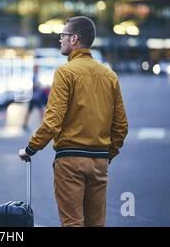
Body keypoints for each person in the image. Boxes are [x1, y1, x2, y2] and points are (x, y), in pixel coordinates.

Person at [18, 16, 128, 227]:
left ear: (74, 39)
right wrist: (107, 155)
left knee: (72, 223)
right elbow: (121, 125)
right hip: (99, 162)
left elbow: (52, 121)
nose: (60, 39)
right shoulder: (109, 76)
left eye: (63, 35)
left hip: (70, 162)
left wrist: (30, 149)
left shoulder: (65, 72)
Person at [22, 64, 45, 132]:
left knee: (40, 111)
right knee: (38, 111)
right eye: (37, 68)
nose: (38, 69)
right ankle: (25, 124)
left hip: (36, 97)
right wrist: (38, 86)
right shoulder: (34, 76)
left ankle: (25, 124)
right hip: (35, 97)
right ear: (35, 69)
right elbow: (34, 85)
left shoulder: (36, 76)